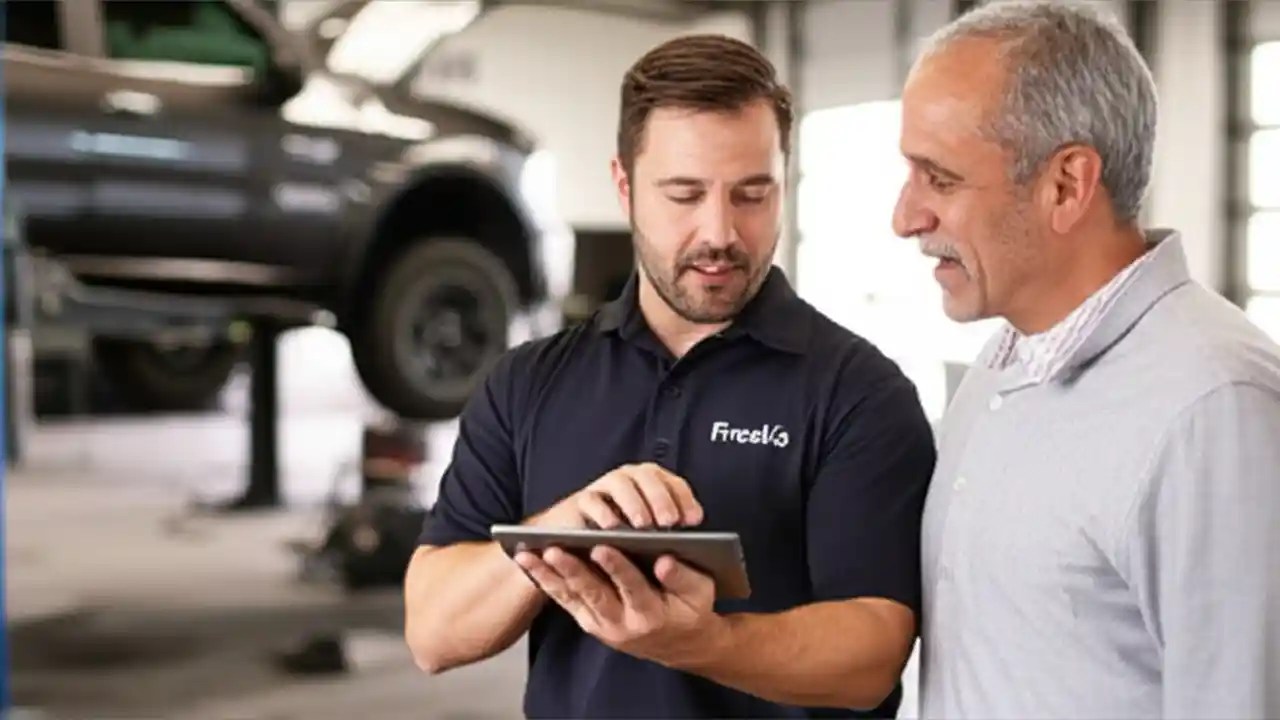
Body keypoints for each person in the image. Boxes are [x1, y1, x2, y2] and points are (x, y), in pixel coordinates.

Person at [403, 33, 937, 719]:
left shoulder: (859, 395)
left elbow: (872, 657)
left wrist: (701, 642)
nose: (720, 232)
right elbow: (433, 633)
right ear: (624, 186)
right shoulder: (528, 383)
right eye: (684, 194)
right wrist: (563, 530)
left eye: (752, 194)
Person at [893, 2, 1280, 717]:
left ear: (1067, 185)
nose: (905, 216)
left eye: (939, 179)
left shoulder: (1216, 407)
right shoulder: (1000, 366)